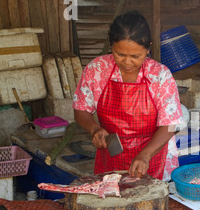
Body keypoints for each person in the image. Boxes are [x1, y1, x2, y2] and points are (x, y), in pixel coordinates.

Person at [73, 11, 183, 181]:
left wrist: (145, 155)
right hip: (111, 154)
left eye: (135, 56)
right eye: (120, 54)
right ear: (111, 46)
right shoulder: (97, 70)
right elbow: (80, 110)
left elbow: (170, 124)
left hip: (153, 155)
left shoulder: (160, 75)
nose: (127, 62)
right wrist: (94, 129)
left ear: (148, 48)